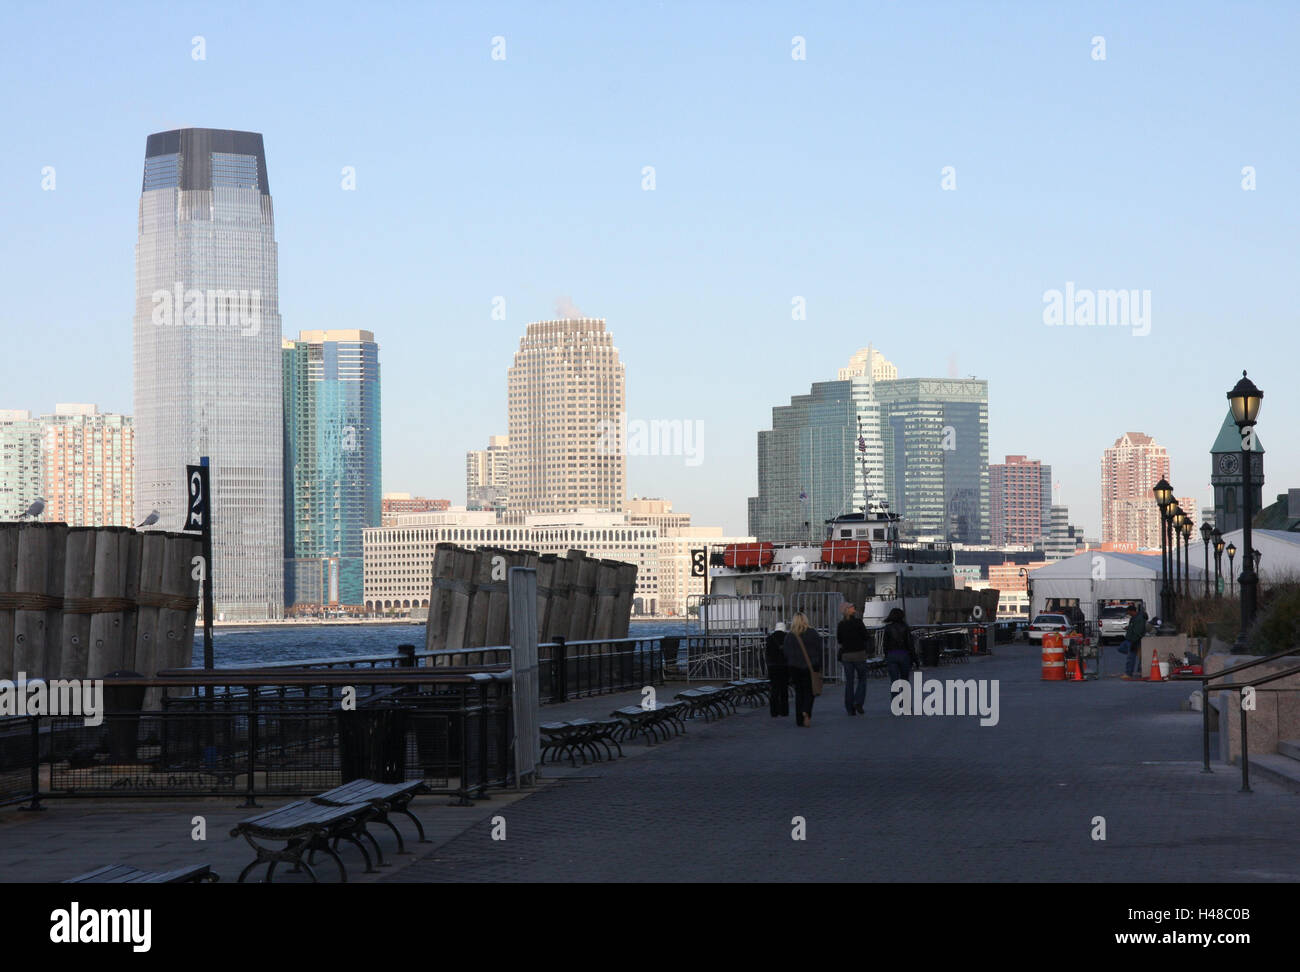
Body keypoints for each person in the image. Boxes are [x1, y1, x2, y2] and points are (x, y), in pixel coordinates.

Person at [783, 612, 823, 728]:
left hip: (794, 667)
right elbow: (819, 650)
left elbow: (786, 653)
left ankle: (799, 719)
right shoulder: (813, 633)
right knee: (810, 691)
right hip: (810, 667)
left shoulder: (790, 636)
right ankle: (806, 711)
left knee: (799, 692)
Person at [836, 601, 869, 715]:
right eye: (852, 607)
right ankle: (858, 701)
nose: (854, 607)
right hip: (859, 653)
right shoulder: (858, 622)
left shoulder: (841, 624)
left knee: (849, 682)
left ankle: (850, 707)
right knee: (862, 679)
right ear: (848, 610)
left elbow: (839, 640)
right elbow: (866, 636)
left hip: (846, 655)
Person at [882, 607, 915, 687]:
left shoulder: (888, 628)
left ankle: (895, 698)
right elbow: (910, 643)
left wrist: (886, 655)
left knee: (894, 682)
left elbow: (885, 644)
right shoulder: (905, 627)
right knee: (905, 680)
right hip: (904, 654)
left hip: (892, 654)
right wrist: (913, 657)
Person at [765, 622, 790, 717]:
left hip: (773, 666)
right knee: (784, 689)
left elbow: (767, 653)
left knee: (774, 689)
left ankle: (774, 711)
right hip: (784, 666)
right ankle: (784, 711)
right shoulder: (787, 637)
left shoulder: (770, 638)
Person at [1121, 604, 1149, 679]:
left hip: (1134, 640)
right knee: (1136, 657)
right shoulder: (1134, 618)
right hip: (1133, 639)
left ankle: (1129, 673)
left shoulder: (1138, 619)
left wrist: (1134, 641)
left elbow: (1138, 631)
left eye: (1128, 612)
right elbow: (1134, 628)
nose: (1128, 614)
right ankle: (1138, 671)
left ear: (1132, 611)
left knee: (1131, 658)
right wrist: (1129, 628)